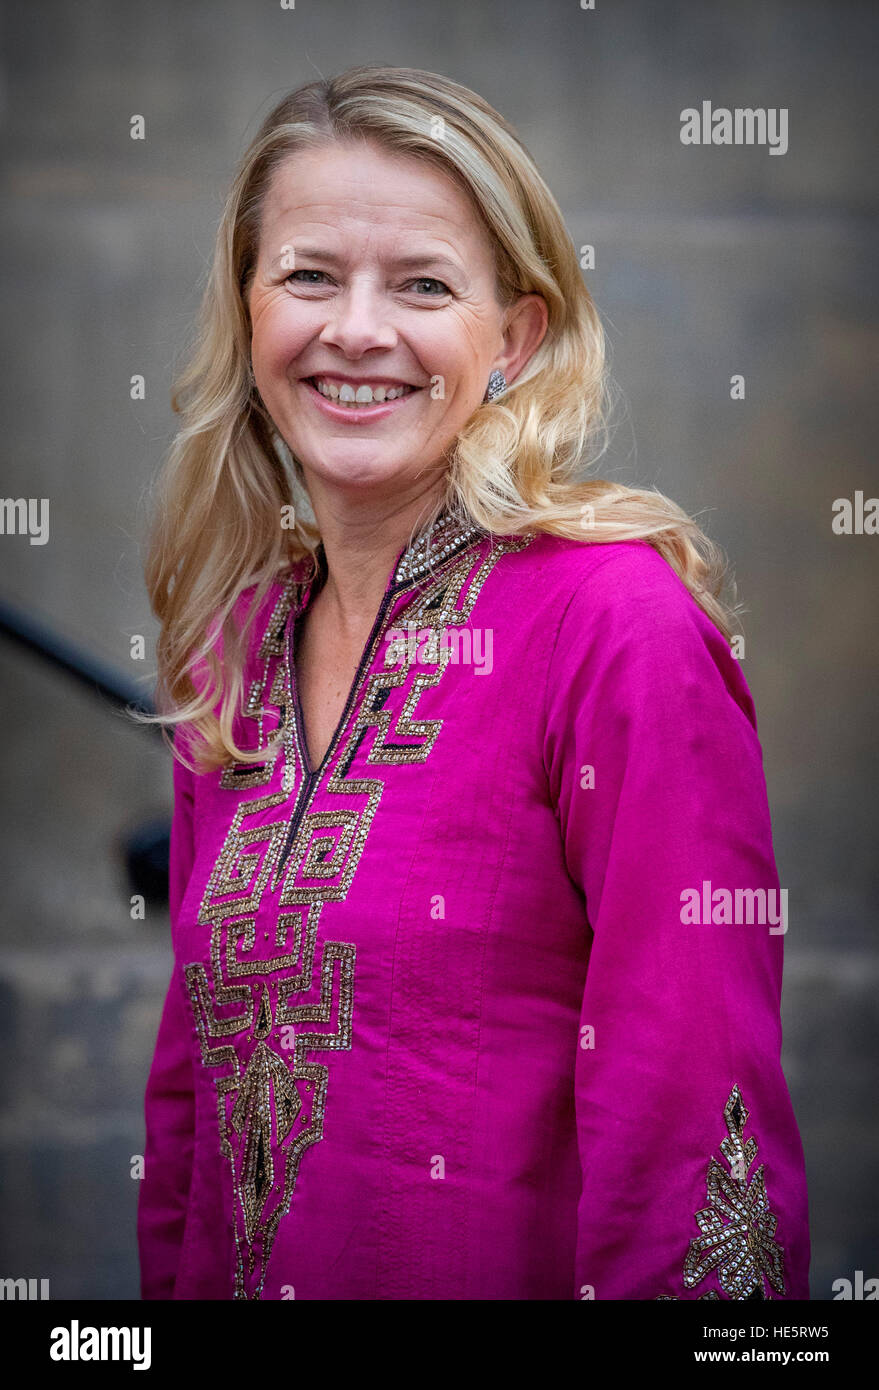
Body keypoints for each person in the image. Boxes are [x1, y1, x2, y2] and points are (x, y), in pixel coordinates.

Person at [137, 64, 810, 1301]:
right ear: (248, 312)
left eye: (424, 285)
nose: (355, 329)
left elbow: (695, 1120)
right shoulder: (228, 654)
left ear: (516, 339)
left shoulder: (617, 625)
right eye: (308, 275)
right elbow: (184, 1126)